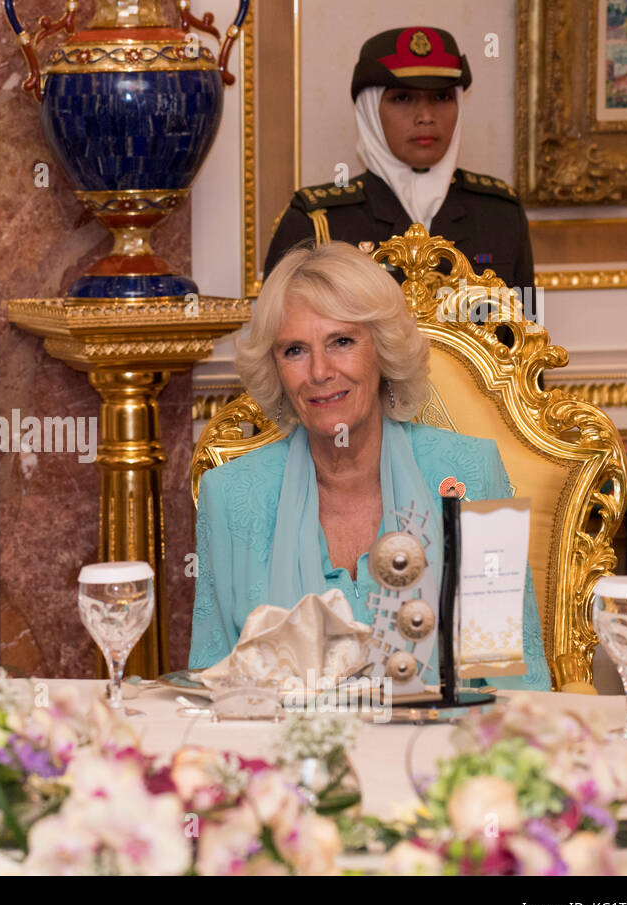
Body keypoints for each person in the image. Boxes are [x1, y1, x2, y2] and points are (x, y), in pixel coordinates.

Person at [190, 242, 549, 690]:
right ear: (275, 367)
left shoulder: (472, 474)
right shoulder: (230, 496)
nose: (319, 372)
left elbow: (516, 687)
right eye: (295, 350)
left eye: (341, 342)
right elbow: (213, 687)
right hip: (291, 754)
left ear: (382, 350)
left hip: (444, 754)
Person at [264, 26, 535, 307]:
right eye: (402, 98)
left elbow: (529, 338)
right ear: (369, 110)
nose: (426, 117)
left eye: (441, 97)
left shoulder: (500, 214)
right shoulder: (316, 222)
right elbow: (280, 342)